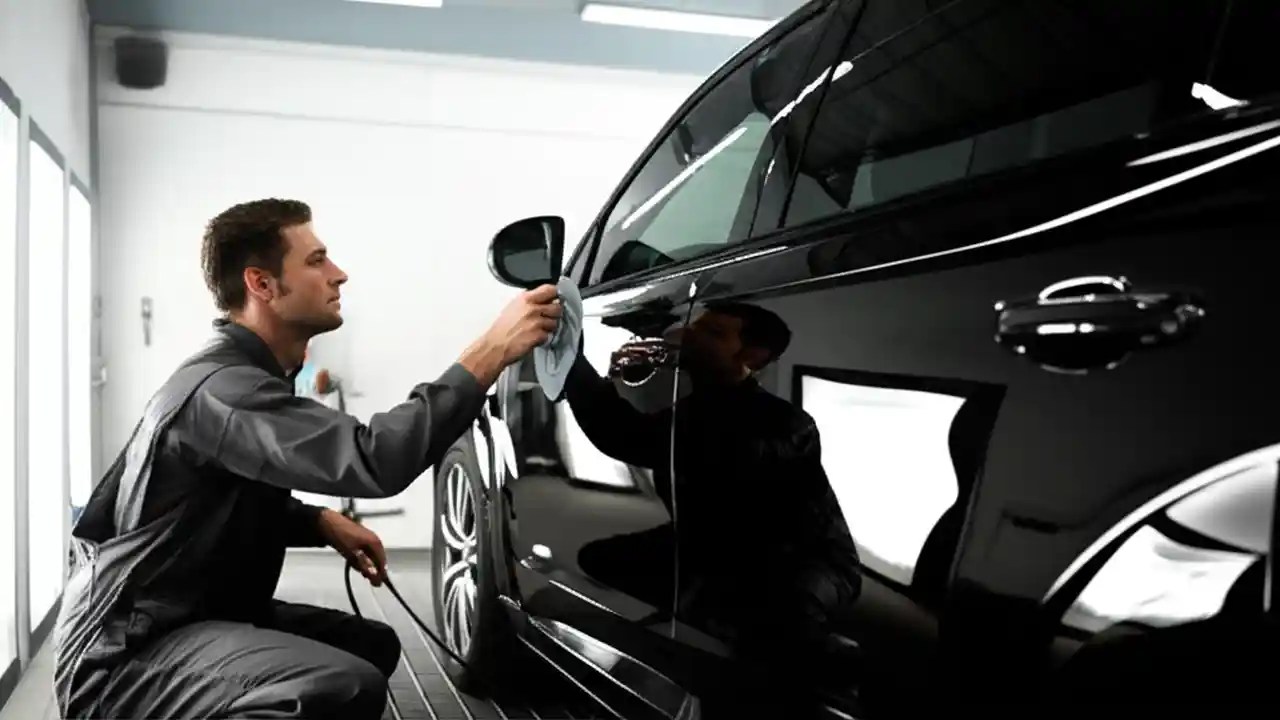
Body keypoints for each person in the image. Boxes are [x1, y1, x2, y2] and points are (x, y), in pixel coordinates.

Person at [52, 198, 562, 720]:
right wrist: (491, 350)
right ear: (262, 284)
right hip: (124, 657)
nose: (339, 274)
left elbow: (204, 500)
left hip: (179, 615)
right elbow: (374, 458)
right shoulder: (225, 390)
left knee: (371, 647)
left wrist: (316, 521)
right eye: (317, 261)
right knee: (340, 686)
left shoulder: (236, 375)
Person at [567, 302, 863, 718]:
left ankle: (820, 667)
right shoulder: (696, 408)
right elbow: (638, 436)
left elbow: (633, 437)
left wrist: (574, 364)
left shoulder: (785, 423)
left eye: (713, 334)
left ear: (752, 357)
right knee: (599, 560)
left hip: (801, 558)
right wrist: (610, 373)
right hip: (711, 541)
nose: (690, 335)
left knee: (776, 625)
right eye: (697, 327)